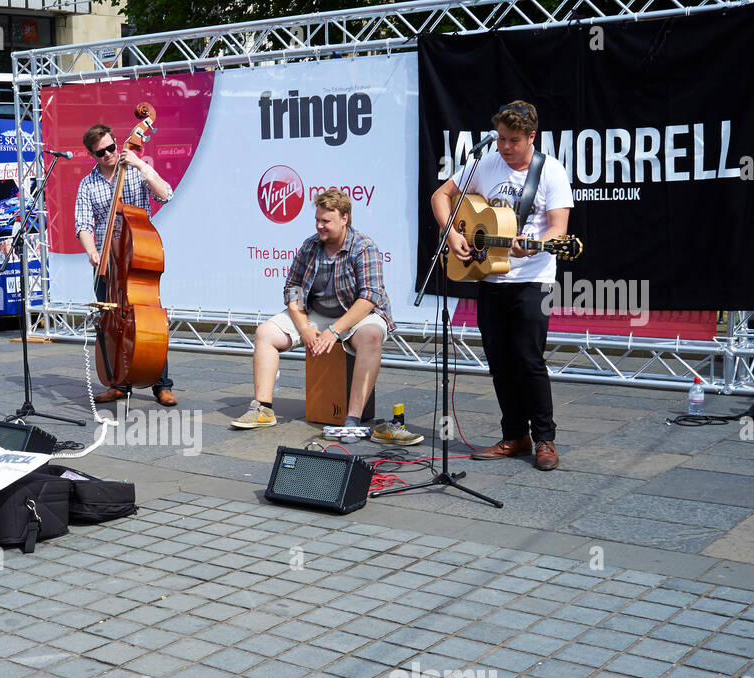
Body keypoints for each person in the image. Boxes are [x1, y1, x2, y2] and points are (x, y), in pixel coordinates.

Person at [430, 100, 572, 471]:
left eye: (513, 141)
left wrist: (532, 246)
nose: (504, 148)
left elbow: (558, 229)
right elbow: (440, 196)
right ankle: (514, 436)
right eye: (501, 140)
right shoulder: (486, 162)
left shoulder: (551, 172)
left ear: (531, 137)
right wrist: (451, 235)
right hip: (490, 276)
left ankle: (545, 438)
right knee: (499, 361)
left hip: (533, 279)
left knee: (529, 359)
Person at [230, 188, 418, 445]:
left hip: (358, 314)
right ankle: (262, 409)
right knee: (265, 333)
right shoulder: (310, 246)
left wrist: (334, 331)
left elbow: (369, 298)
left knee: (372, 337)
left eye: (326, 221)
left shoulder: (363, 247)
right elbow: (292, 289)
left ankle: (352, 419)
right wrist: (304, 327)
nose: (319, 225)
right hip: (317, 312)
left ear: (345, 218)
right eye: (317, 219)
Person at [75, 122, 178, 406]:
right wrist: (91, 252)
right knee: (110, 326)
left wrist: (142, 166)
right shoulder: (88, 184)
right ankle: (117, 382)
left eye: (111, 148)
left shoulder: (133, 169)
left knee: (148, 321)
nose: (108, 154)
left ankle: (161, 384)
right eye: (101, 152)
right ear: (92, 155)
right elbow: (82, 224)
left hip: (135, 258)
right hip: (107, 262)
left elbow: (165, 194)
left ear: (115, 142)